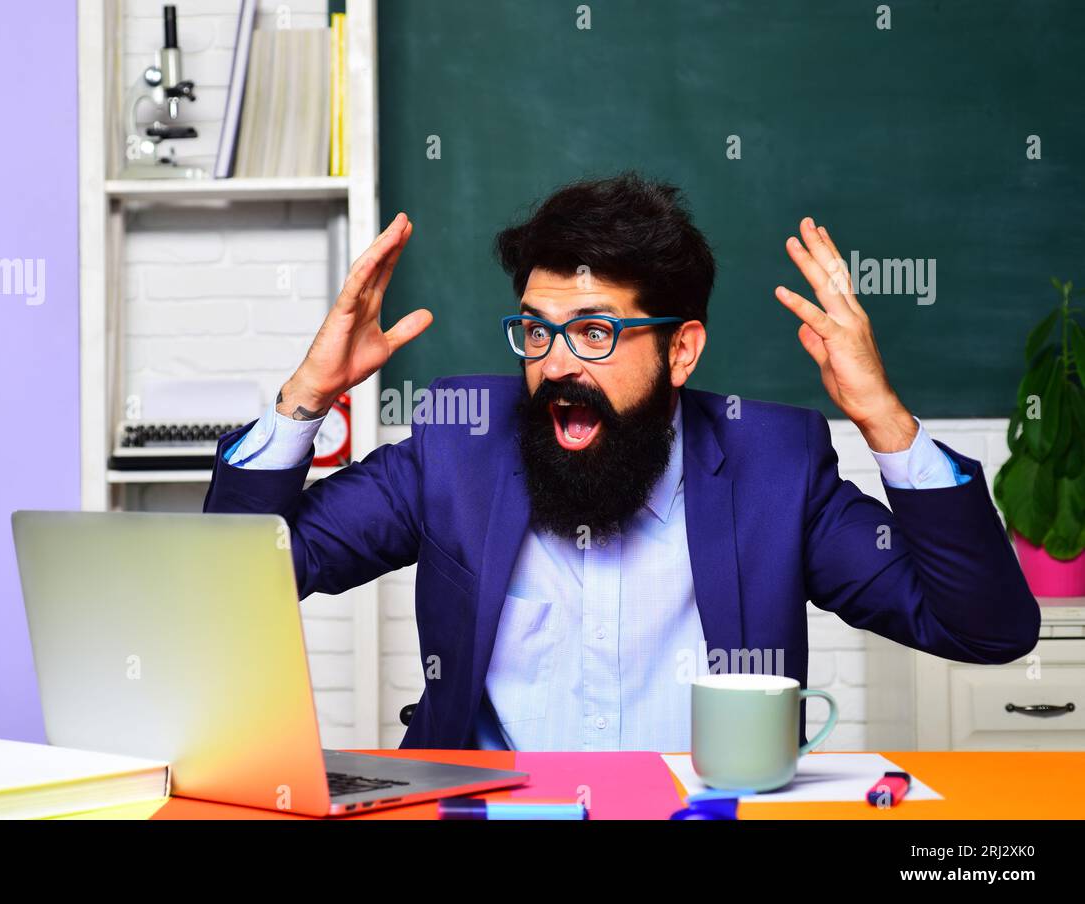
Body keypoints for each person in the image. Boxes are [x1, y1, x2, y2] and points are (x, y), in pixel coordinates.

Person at [203, 172, 1039, 751]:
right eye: (536, 330)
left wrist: (883, 419)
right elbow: (241, 580)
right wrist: (306, 396)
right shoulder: (461, 441)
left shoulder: (772, 463)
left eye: (596, 332)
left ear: (682, 351)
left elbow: (986, 628)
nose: (557, 363)